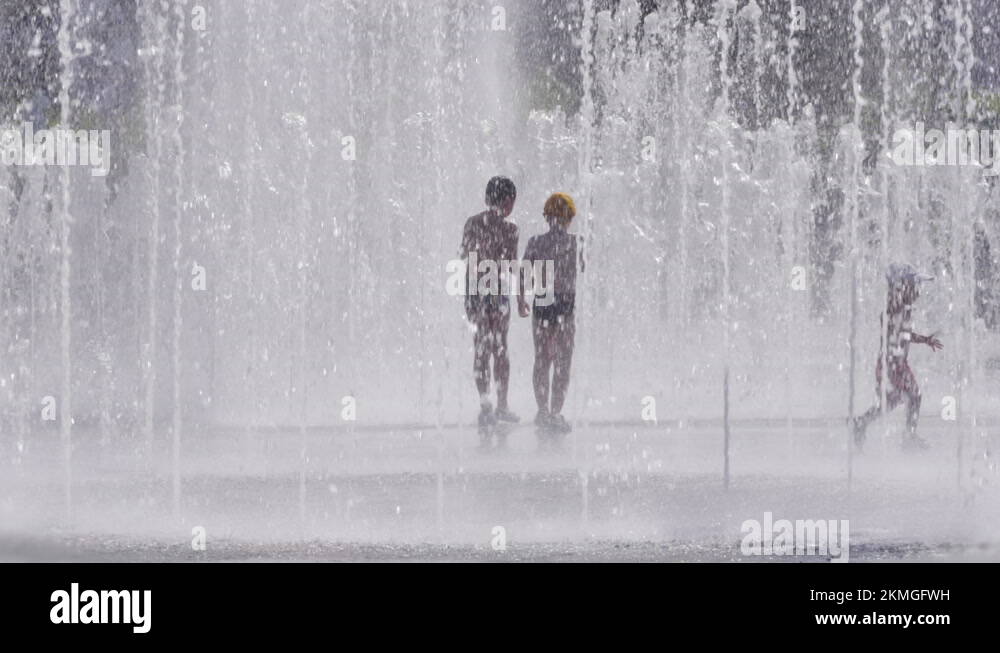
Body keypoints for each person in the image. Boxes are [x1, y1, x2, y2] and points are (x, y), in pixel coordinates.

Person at [852, 263, 943, 450]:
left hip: (897, 362)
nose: (919, 290)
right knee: (913, 396)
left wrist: (925, 340)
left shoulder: (905, 308)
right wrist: (895, 289)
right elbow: (887, 318)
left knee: (894, 400)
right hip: (892, 363)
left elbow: (905, 334)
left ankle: (861, 422)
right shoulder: (895, 305)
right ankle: (908, 436)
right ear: (903, 286)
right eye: (915, 285)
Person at [460, 176, 523, 429]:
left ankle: (485, 401)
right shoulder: (510, 230)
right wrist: (520, 298)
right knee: (500, 347)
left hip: (474, 290)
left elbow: (464, 253)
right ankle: (502, 404)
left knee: (481, 346)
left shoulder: (473, 223)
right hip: (497, 291)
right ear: (508, 202)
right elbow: (512, 265)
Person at [518, 193, 582, 434]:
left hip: (543, 302)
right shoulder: (576, 243)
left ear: (547, 217)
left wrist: (520, 299)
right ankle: (554, 413)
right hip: (565, 303)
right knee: (563, 362)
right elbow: (585, 267)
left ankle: (544, 411)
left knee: (543, 359)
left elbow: (523, 273)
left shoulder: (536, 242)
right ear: (570, 218)